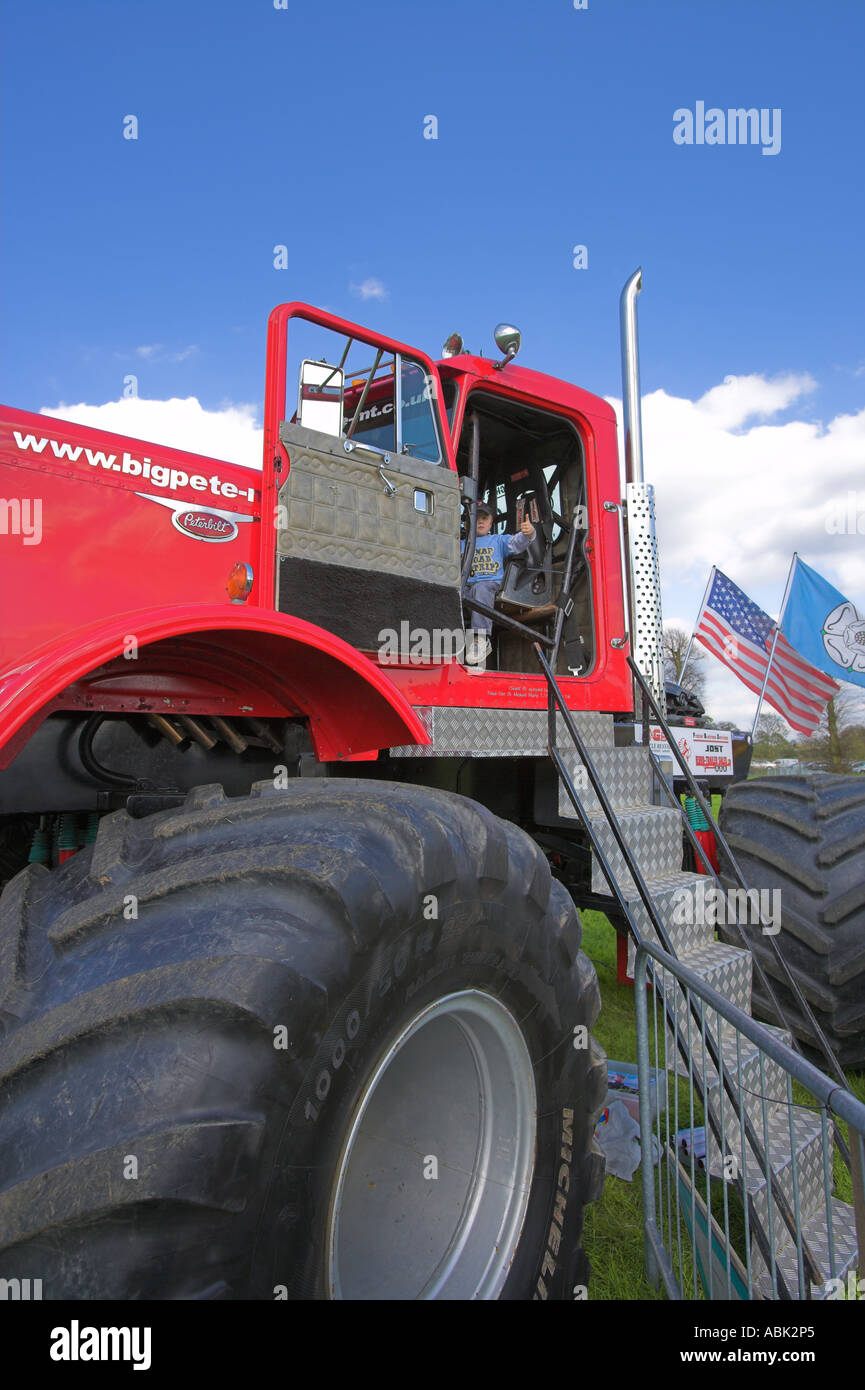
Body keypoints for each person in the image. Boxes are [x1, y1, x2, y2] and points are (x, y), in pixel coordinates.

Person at [461, 503, 536, 666]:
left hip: (490, 585)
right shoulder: (462, 544)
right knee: (456, 593)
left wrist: (528, 534)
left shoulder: (498, 540)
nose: (480, 522)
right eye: (475, 518)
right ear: (467, 524)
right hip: (468, 587)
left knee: (481, 588)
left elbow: (517, 543)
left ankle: (481, 639)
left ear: (491, 522)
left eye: (484, 518)